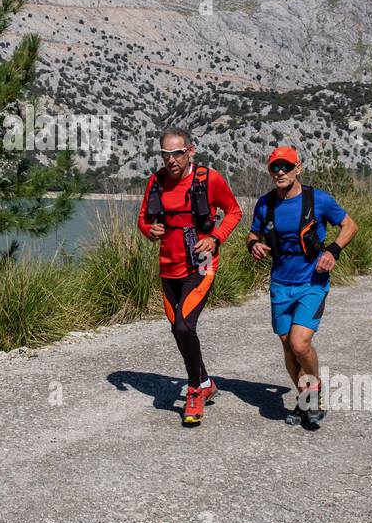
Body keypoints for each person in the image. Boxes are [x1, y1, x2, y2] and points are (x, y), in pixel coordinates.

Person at [246, 146, 358, 429]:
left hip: (312, 282)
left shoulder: (317, 199)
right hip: (281, 284)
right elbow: (253, 233)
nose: (280, 172)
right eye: (274, 167)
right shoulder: (265, 204)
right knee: (287, 348)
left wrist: (333, 250)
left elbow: (349, 226)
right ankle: (305, 398)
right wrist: (253, 245)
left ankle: (315, 392)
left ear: (298, 168)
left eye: (285, 166)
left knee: (299, 343)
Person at [137, 128, 242, 426]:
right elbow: (143, 219)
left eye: (177, 153)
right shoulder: (155, 181)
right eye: (165, 154)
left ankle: (194, 390)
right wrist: (150, 231)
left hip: (202, 263)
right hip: (167, 264)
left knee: (184, 326)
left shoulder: (209, 180)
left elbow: (234, 211)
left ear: (190, 151)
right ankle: (206, 381)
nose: (171, 160)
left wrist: (216, 237)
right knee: (178, 329)